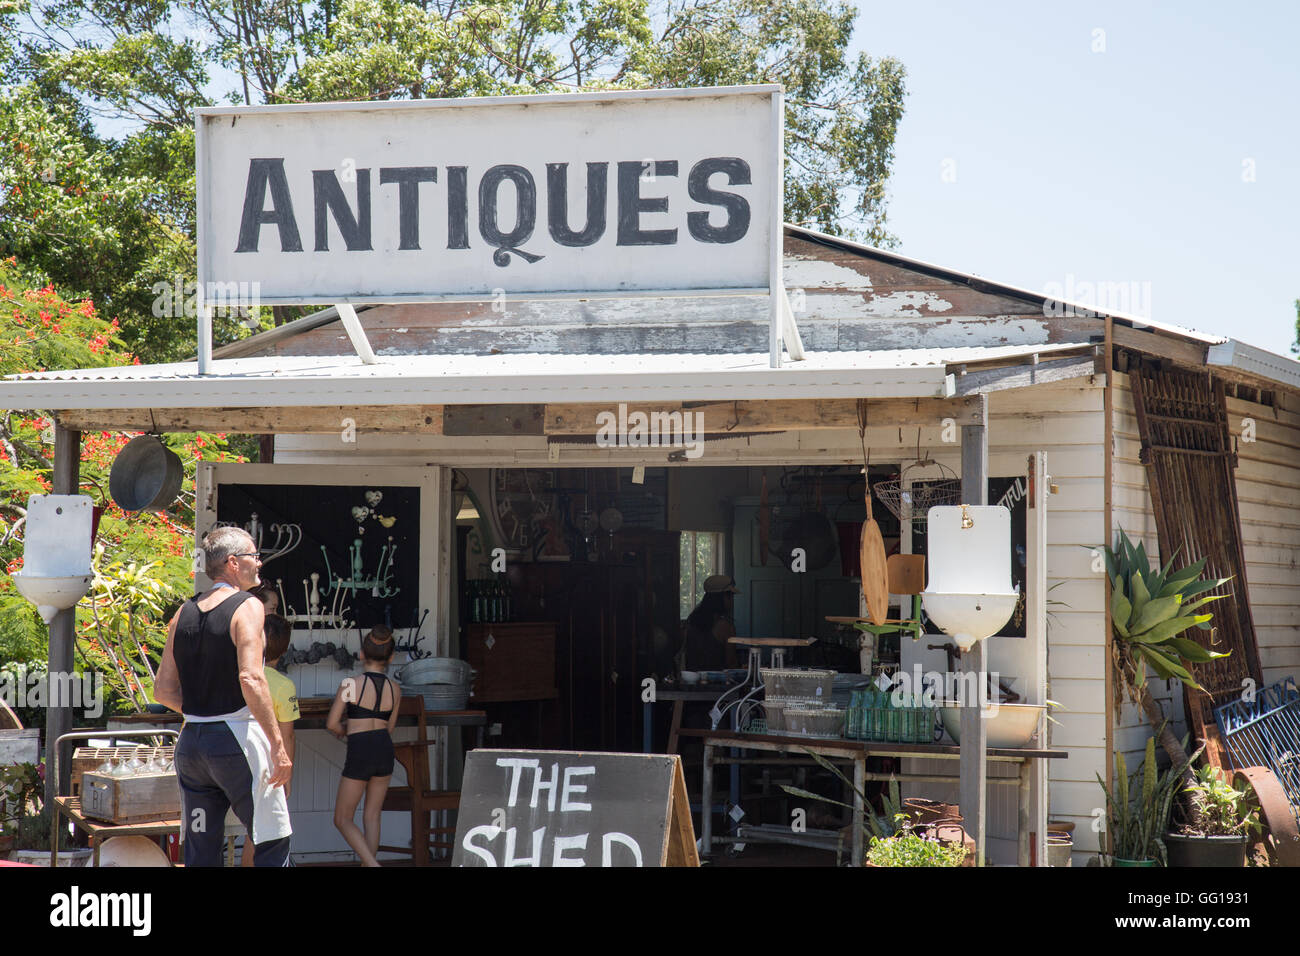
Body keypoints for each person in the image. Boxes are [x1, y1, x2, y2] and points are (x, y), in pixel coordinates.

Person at [154, 527, 294, 867]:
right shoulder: (248, 606)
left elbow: (162, 689)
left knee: (201, 849)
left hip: (191, 745)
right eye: (254, 556)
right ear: (233, 563)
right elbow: (250, 676)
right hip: (236, 738)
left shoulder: (183, 612)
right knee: (272, 838)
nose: (259, 563)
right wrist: (277, 745)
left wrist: (203, 712)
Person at [326, 626, 401, 867]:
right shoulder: (396, 689)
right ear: (390, 658)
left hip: (361, 750)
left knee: (342, 818)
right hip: (384, 748)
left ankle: (372, 864)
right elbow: (389, 728)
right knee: (372, 816)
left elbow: (332, 723)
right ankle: (370, 862)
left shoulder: (350, 684)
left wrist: (346, 733)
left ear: (361, 654)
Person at [240, 612, 298, 867]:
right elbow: (288, 735)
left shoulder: (239, 675)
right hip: (265, 763)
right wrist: (288, 775)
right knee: (261, 830)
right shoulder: (284, 686)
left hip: (233, 756)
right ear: (284, 650)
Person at [682, 574, 740, 671]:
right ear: (722, 598)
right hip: (717, 683)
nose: (732, 601)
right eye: (730, 596)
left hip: (691, 680)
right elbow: (731, 663)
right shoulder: (725, 627)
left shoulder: (691, 621)